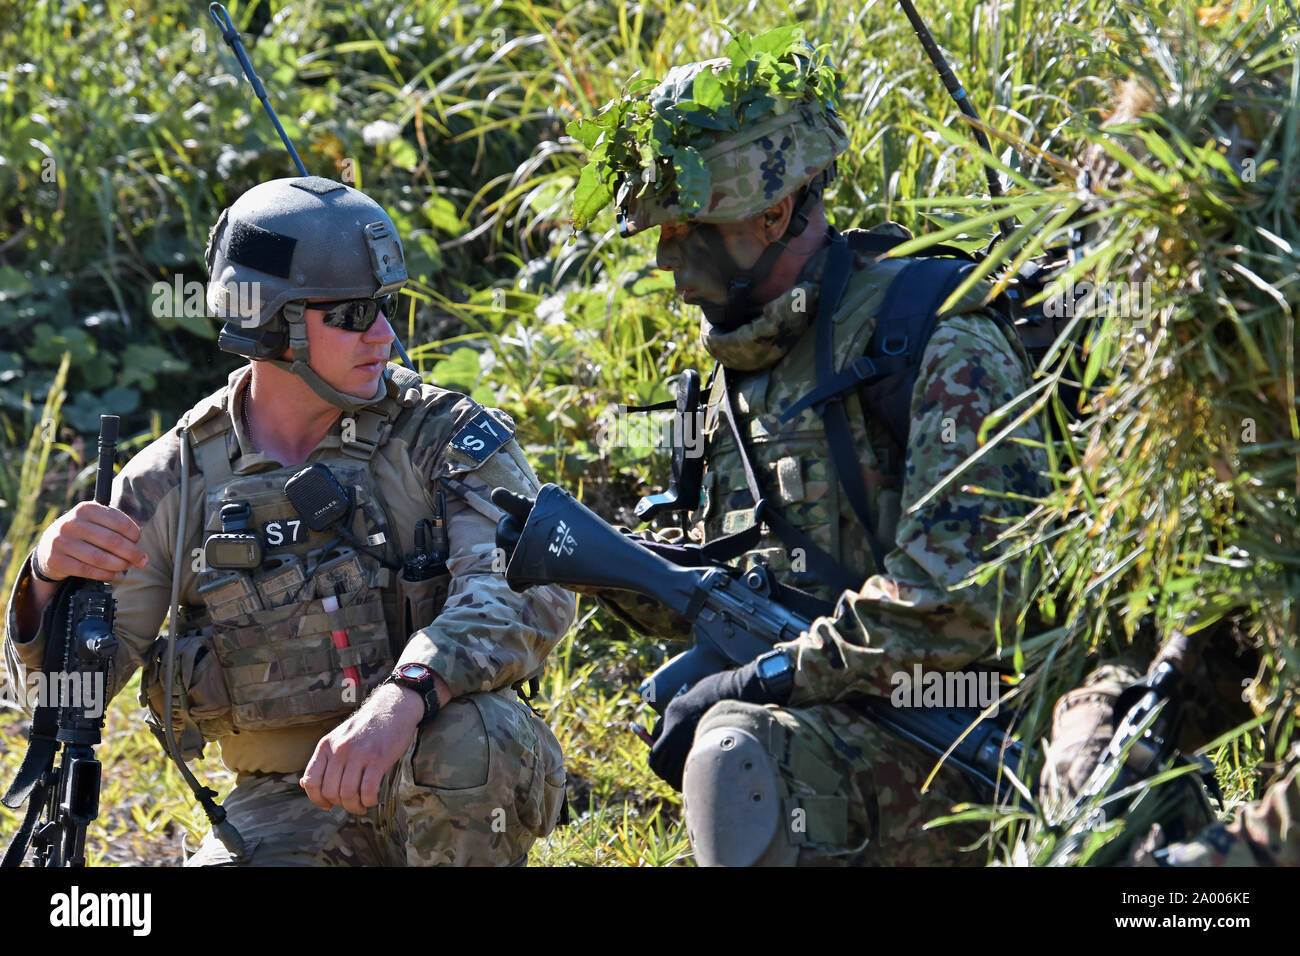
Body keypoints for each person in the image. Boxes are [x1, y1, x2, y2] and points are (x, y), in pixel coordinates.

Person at [565, 32, 1047, 866]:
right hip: (840, 728)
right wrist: (578, 551)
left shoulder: (931, 337)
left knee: (734, 746)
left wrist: (769, 677)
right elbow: (710, 579)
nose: (665, 256)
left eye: (687, 226)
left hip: (974, 737)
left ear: (775, 212)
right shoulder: (725, 383)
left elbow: (960, 601)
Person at [3, 175, 575, 866]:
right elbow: (62, 702)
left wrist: (408, 694)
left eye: (385, 307)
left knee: (472, 738)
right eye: (354, 314)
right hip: (286, 802)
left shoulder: (443, 438)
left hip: (438, 762)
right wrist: (42, 583)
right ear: (271, 323)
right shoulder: (173, 481)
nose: (385, 336)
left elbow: (531, 590)